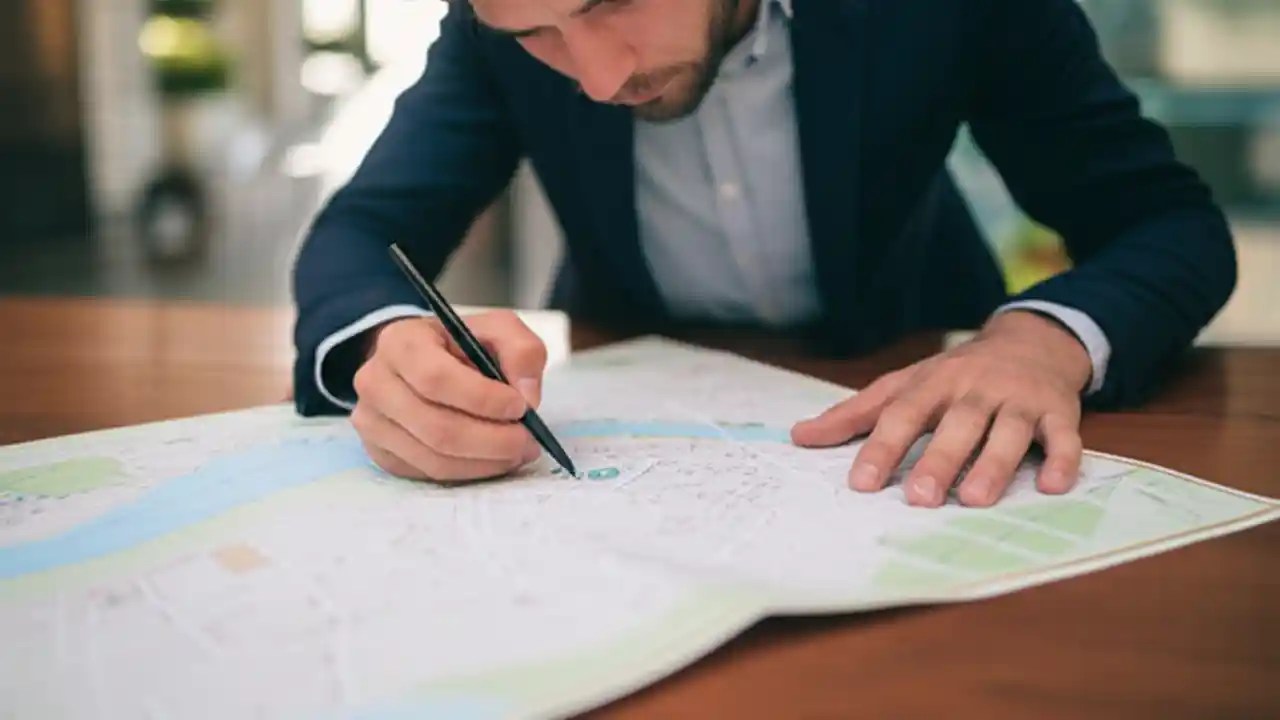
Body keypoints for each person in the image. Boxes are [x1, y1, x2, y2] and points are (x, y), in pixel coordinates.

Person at [290, 0, 1236, 508]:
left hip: (911, 394)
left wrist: (1041, 342)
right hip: (638, 437)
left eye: (613, 0)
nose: (598, 74)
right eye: (536, 32)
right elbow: (361, 231)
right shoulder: (490, 34)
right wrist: (388, 352)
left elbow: (1167, 222)